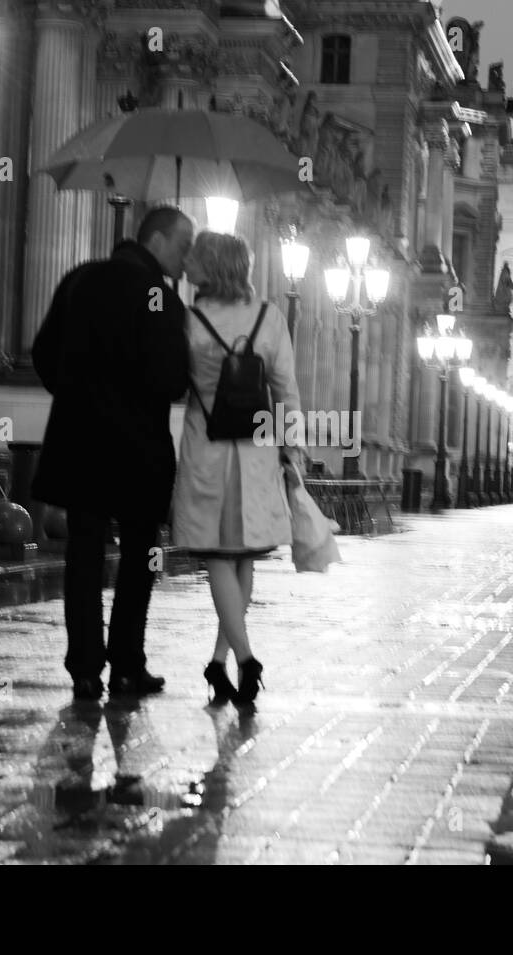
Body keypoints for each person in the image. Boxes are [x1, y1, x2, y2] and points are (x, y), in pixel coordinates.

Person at [31, 207, 194, 703]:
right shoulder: (159, 298)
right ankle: (127, 665)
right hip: (137, 450)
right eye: (183, 247)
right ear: (159, 240)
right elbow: (173, 382)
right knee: (139, 555)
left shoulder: (80, 279)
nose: (186, 260)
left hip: (79, 442)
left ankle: (84, 668)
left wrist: (77, 394)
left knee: (82, 554)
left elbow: (42, 353)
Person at [172, 231, 303, 706]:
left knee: (219, 556)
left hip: (208, 448)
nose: (186, 266)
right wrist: (293, 449)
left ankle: (244, 660)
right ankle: (218, 662)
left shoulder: (189, 321)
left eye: (195, 260)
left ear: (212, 266)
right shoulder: (269, 317)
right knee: (243, 556)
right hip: (257, 451)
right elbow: (287, 391)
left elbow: (172, 384)